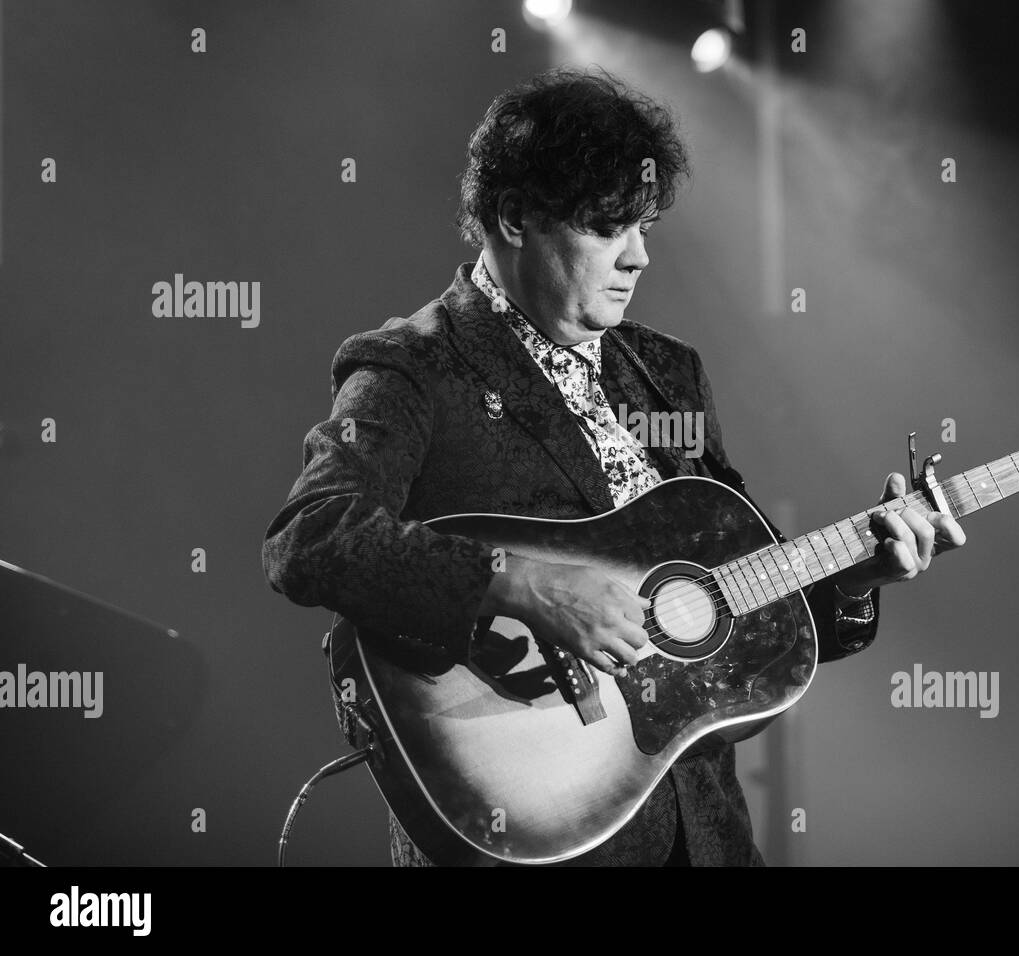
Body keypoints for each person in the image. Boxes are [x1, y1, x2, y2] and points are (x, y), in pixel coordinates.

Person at [262, 66, 966, 867]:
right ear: (515, 216)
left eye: (647, 227)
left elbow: (741, 600)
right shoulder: (412, 367)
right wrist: (523, 583)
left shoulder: (668, 374)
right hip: (528, 836)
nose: (638, 257)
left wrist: (853, 579)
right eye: (608, 228)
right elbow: (308, 539)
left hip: (705, 839)